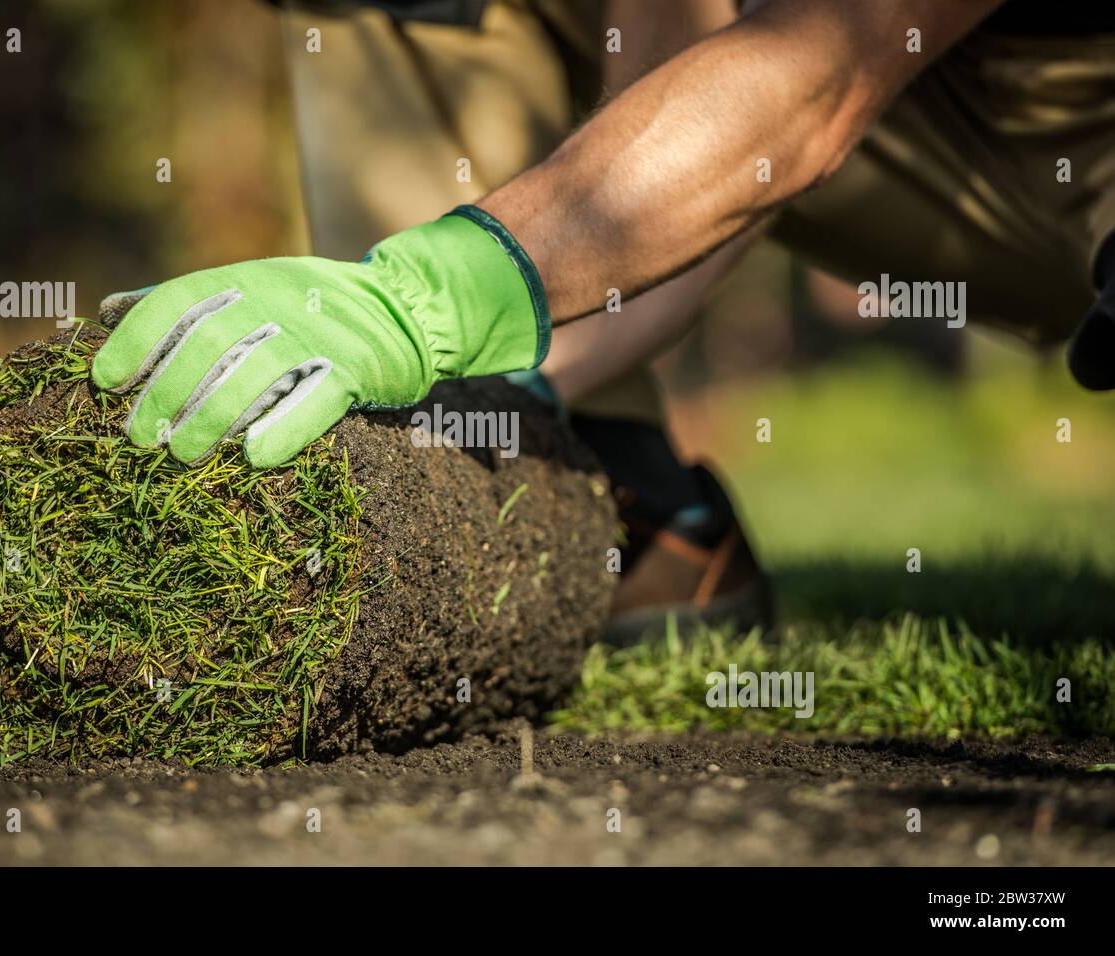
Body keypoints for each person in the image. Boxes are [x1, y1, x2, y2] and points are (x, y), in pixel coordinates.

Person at [90, 0, 1115, 641]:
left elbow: (824, 70)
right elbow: (682, 75)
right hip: (910, 133)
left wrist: (422, 297)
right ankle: (583, 492)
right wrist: (516, 376)